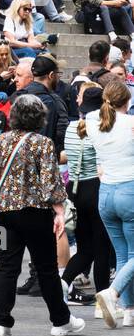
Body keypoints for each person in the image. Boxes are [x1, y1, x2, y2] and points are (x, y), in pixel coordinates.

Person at [0, 93, 83, 336]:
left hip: (2, 213)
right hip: (34, 213)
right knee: (46, 267)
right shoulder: (43, 143)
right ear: (40, 117)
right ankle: (60, 320)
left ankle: (2, 322)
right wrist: (59, 210)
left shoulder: (1, 141)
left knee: (6, 266)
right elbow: (49, 182)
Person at [61, 82, 114, 311]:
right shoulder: (103, 127)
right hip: (95, 187)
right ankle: (102, 299)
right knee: (102, 247)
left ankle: (62, 283)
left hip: (74, 188)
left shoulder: (72, 127)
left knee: (85, 248)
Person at [87, 79, 134, 328]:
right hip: (129, 189)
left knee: (123, 254)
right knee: (132, 253)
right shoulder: (130, 123)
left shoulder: (95, 121)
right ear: (127, 101)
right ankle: (113, 293)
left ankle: (129, 310)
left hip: (105, 193)